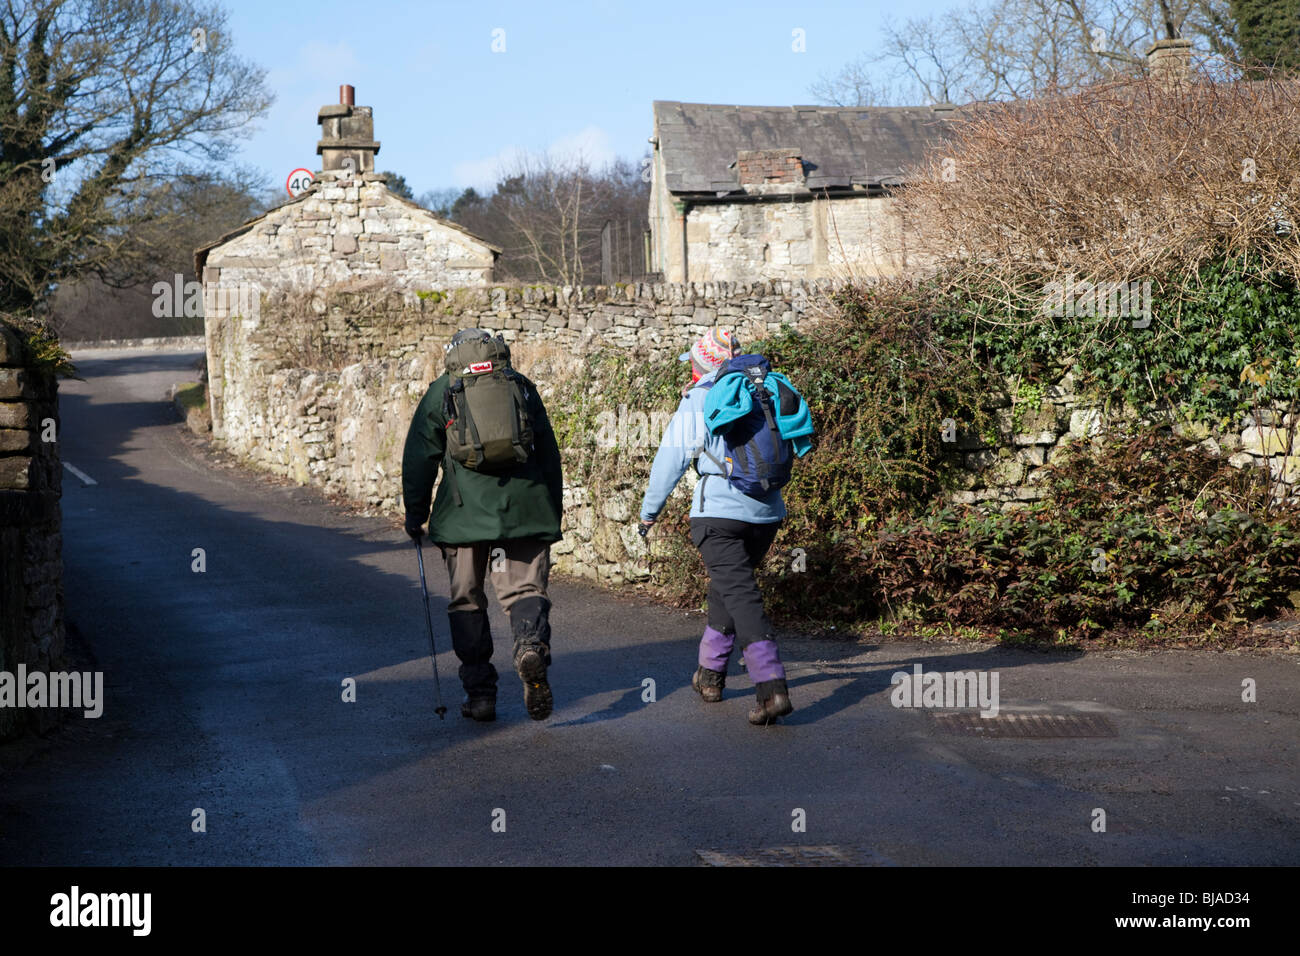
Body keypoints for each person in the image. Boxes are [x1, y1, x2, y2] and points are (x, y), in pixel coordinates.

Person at [401, 328, 564, 723]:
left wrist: (415, 513)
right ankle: (528, 647)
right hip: (523, 511)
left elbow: (419, 458)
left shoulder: (442, 392)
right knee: (524, 589)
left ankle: (480, 695)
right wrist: (550, 509)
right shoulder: (519, 386)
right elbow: (548, 451)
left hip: (463, 519)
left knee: (467, 599)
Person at [637, 327, 794, 725]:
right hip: (767, 513)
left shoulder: (701, 396)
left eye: (692, 362)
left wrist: (649, 511)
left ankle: (772, 687)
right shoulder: (766, 389)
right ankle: (710, 676)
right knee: (730, 587)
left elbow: (670, 460)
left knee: (741, 596)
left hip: (718, 515)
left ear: (702, 364)